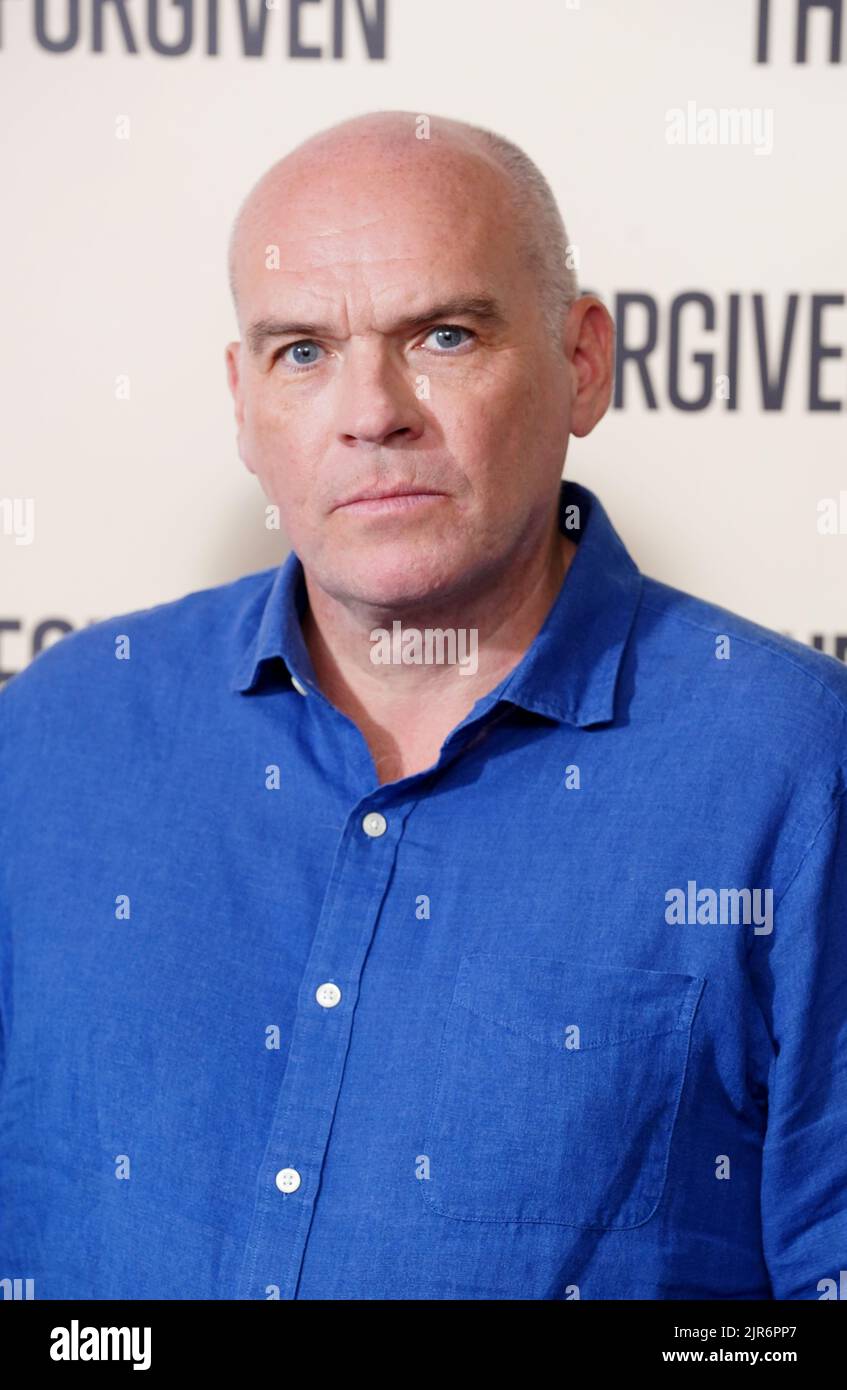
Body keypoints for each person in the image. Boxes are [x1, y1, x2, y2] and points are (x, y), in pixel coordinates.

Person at [0, 110, 845, 1301]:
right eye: (302, 351)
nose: (371, 410)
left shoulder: (795, 768)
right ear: (242, 400)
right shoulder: (55, 737)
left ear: (582, 362)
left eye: (442, 335)